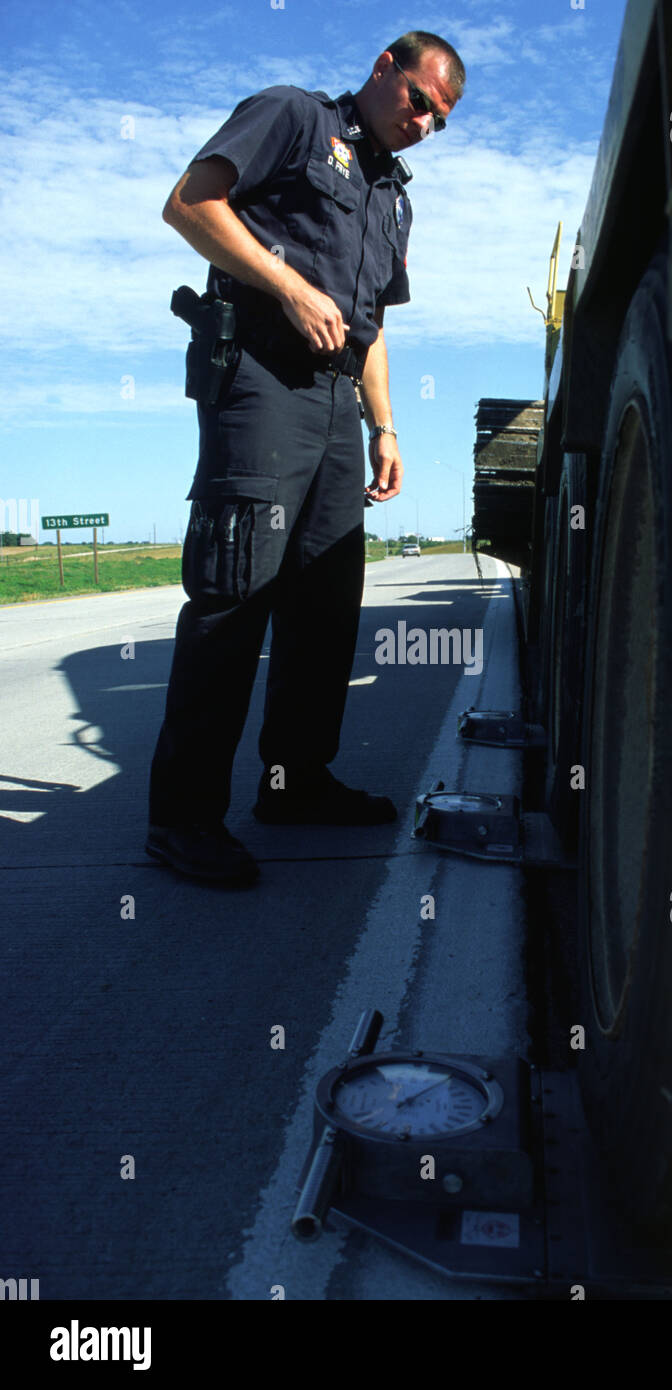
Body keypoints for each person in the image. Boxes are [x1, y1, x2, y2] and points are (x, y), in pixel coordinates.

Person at [146, 31, 465, 886]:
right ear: (382, 69)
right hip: (260, 379)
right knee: (234, 592)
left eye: (441, 120)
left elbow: (372, 325)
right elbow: (189, 202)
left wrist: (384, 427)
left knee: (326, 604)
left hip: (334, 406)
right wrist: (287, 286)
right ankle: (182, 819)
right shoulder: (292, 116)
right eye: (420, 102)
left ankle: (294, 783)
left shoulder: (394, 195)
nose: (426, 125)